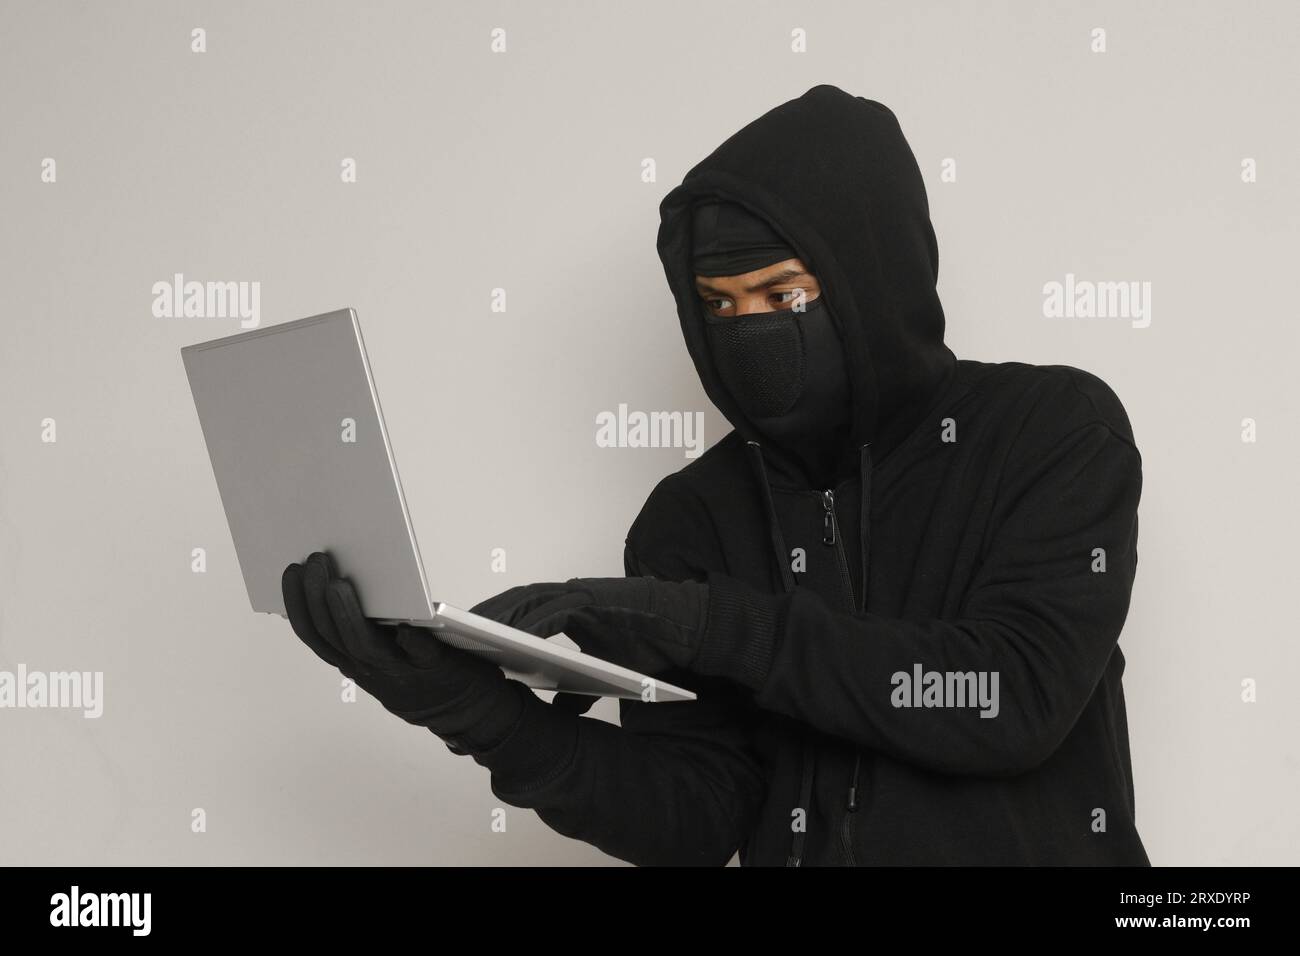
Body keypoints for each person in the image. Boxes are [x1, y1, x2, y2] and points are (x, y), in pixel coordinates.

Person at [281, 84, 1149, 866]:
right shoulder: (693, 518)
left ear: (873, 281)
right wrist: (484, 720)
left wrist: (706, 628)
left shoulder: (1053, 433)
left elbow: (1006, 696)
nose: (747, 333)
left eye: (783, 297)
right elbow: (699, 815)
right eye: (719, 305)